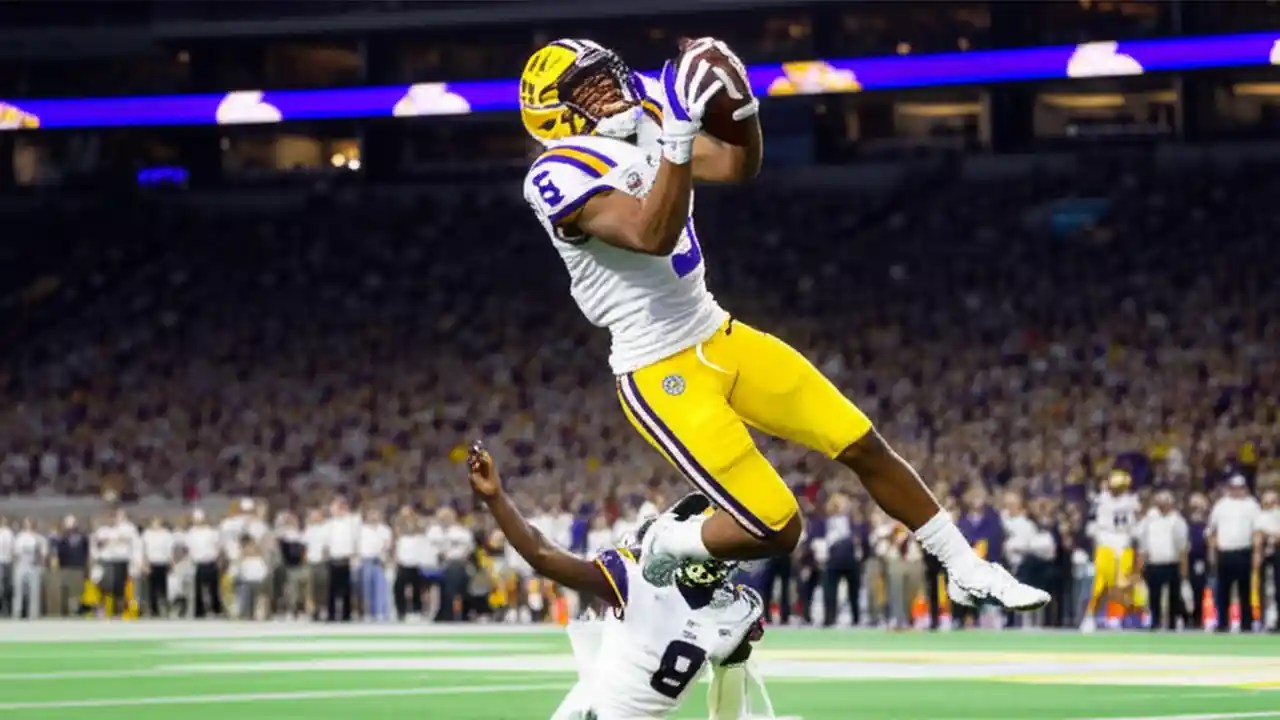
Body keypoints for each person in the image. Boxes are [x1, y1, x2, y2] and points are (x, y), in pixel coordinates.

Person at [517, 36, 1047, 612]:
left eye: (606, 76)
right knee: (776, 526)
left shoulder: (644, 106)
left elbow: (737, 164)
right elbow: (651, 235)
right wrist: (675, 133)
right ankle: (664, 540)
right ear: (554, 115)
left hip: (717, 332)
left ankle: (965, 567)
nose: (610, 93)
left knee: (860, 442)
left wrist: (742, 109)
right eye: (586, 91)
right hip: (656, 369)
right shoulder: (557, 173)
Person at [466, 444, 773, 720]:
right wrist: (495, 499)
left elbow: (727, 708)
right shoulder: (640, 579)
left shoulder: (735, 613)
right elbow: (542, 553)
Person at [1081, 470, 1140, 632]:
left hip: (1124, 540)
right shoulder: (1100, 500)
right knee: (1101, 582)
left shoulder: (1132, 501)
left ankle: (1117, 616)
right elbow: (1090, 524)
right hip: (1105, 540)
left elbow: (1136, 524)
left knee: (1123, 582)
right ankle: (1090, 615)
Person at [1208, 475, 1263, 632]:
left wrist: (1256, 554)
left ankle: (1246, 624)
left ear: (1244, 488)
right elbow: (1212, 530)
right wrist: (1213, 551)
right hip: (1225, 551)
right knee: (1222, 590)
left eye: (1239, 487)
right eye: (1233, 487)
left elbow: (1257, 531)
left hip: (1243, 551)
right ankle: (1222, 623)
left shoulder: (1252, 505)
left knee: (1245, 590)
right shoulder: (1221, 505)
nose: (1236, 490)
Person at [1134, 491, 1189, 630]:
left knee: (1174, 595)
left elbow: (1182, 546)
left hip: (1172, 562)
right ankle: (1154, 622)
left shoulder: (1177, 520)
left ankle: (1172, 623)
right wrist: (1141, 562)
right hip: (1154, 562)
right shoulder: (1149, 519)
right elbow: (1142, 541)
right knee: (1154, 595)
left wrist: (1183, 566)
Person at [185, 508, 223, 618]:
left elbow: (218, 547)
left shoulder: (212, 532)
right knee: (198, 589)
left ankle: (216, 609)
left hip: (210, 561)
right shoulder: (190, 533)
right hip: (198, 563)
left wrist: (219, 561)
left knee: (213, 588)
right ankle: (199, 611)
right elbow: (188, 549)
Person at [50, 514, 88, 617]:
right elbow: (56, 551)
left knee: (77, 593)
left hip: (78, 568)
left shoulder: (82, 538)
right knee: (66, 591)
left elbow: (86, 552)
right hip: (66, 567)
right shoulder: (62, 539)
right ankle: (66, 612)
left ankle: (76, 612)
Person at [141, 517, 175, 618]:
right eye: (154, 523)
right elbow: (144, 550)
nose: (156, 525)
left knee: (163, 587)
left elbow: (170, 550)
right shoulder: (147, 534)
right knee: (151, 588)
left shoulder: (167, 534)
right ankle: (153, 609)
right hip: (151, 562)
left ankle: (165, 608)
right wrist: (144, 564)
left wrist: (171, 562)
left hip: (163, 562)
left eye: (158, 523)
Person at [12, 517, 46, 619]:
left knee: (34, 591)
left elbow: (43, 554)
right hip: (21, 565)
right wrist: (16, 566)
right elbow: (15, 553)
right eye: (27, 523)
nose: (28, 525)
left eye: (30, 523)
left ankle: (33, 614)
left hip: (33, 566)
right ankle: (17, 612)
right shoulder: (20, 537)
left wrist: (42, 566)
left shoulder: (39, 538)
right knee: (18, 590)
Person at [1257, 490, 1280, 632]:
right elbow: (1256, 536)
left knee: (1278, 590)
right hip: (1264, 554)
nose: (1269, 505)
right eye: (1266, 502)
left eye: (1272, 501)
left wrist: (1267, 533)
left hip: (1278, 553)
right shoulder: (1260, 516)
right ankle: (1264, 620)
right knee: (1264, 590)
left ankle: (1277, 621)